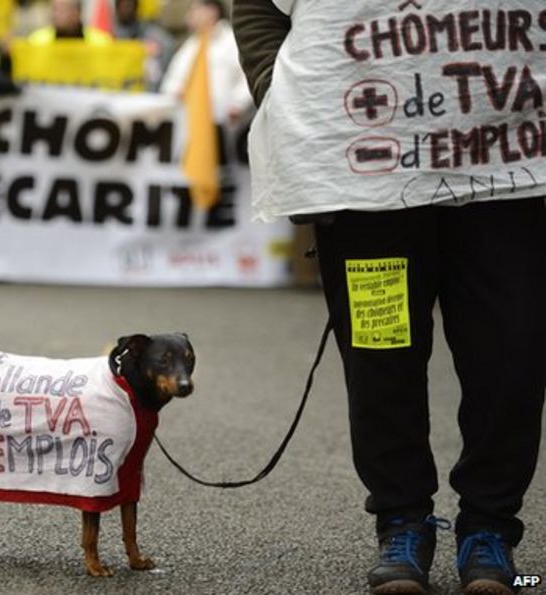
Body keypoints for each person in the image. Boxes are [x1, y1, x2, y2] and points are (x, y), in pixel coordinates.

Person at [233, 1, 545, 595]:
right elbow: (256, 6)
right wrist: (289, 98)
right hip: (366, 181)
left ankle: (491, 530)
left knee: (511, 355)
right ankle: (402, 521)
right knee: (383, 357)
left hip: (511, 176)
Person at [161, 0, 252, 125]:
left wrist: (238, 105)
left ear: (212, 12)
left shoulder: (232, 41)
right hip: (191, 122)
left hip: (226, 124)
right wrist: (174, 91)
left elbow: (248, 76)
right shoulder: (190, 45)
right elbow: (172, 78)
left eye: (194, 10)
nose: (189, 15)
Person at [112, 0, 174, 90]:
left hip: (147, 90)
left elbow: (167, 48)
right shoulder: (108, 35)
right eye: (123, 5)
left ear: (136, 7)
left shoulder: (155, 37)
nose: (126, 9)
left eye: (129, 5)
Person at [27, 0, 112, 45]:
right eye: (54, 9)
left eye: (62, 10)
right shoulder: (36, 42)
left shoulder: (101, 43)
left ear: (77, 12)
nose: (56, 15)